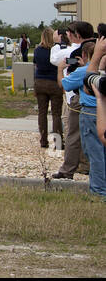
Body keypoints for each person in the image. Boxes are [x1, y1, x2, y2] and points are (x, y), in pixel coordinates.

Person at [61, 37, 104, 197]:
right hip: (96, 110)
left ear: (85, 55)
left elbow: (83, 84)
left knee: (95, 153)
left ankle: (99, 191)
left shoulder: (86, 72)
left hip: (91, 112)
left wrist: (60, 69)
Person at [54, 21, 96, 179]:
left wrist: (62, 68)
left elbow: (68, 83)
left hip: (80, 99)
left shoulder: (78, 52)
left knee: (73, 134)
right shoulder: (98, 45)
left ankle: (67, 169)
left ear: (77, 35)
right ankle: (89, 166)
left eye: (70, 34)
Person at [32, 27, 62, 149]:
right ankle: (58, 142)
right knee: (56, 114)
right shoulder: (56, 50)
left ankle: (43, 140)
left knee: (42, 113)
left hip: (40, 82)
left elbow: (35, 64)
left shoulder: (37, 50)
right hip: (54, 82)